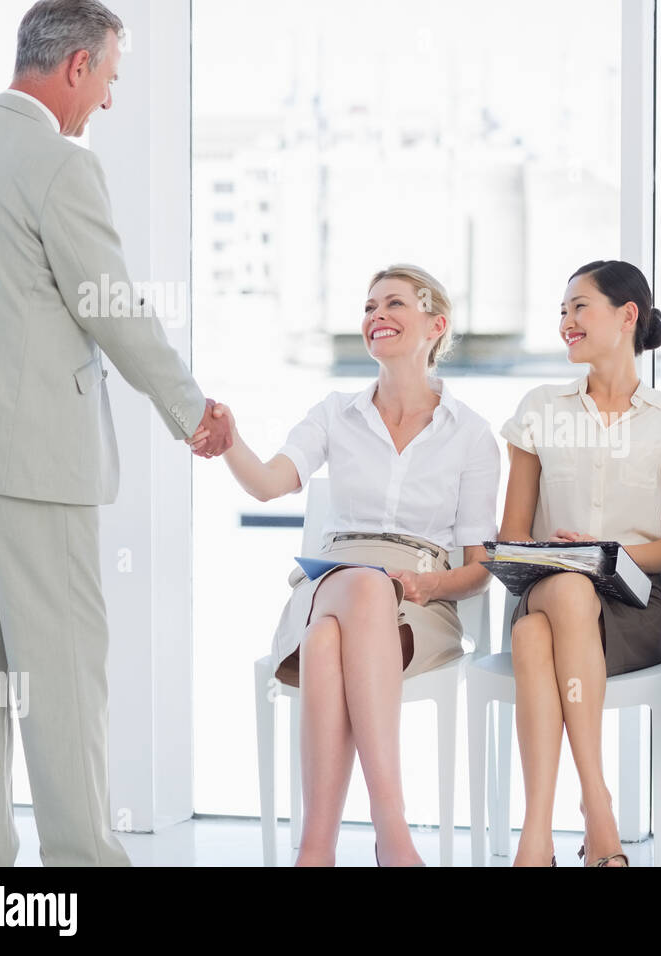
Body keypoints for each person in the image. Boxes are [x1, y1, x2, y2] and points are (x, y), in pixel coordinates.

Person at [0, 0, 232, 867]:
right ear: (76, 68)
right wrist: (189, 409)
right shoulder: (58, 166)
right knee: (60, 677)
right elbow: (116, 313)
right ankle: (81, 866)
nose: (106, 100)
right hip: (34, 460)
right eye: (109, 78)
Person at [197, 265, 499, 866]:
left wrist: (427, 583)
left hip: (420, 599)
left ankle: (316, 852)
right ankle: (394, 836)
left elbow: (479, 567)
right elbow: (268, 484)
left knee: (331, 638)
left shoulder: (472, 435)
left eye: (393, 304)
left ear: (436, 325)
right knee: (356, 590)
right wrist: (231, 441)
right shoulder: (335, 412)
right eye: (368, 307)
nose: (375, 315)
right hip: (331, 579)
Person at [497, 260, 661, 867]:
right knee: (565, 592)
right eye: (562, 311)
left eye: (578, 307)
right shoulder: (540, 407)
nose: (566, 322)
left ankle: (536, 839)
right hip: (545, 584)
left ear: (627, 315)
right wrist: (566, 560)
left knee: (537, 636)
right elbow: (512, 534)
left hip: (635, 604)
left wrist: (598, 555)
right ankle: (599, 808)